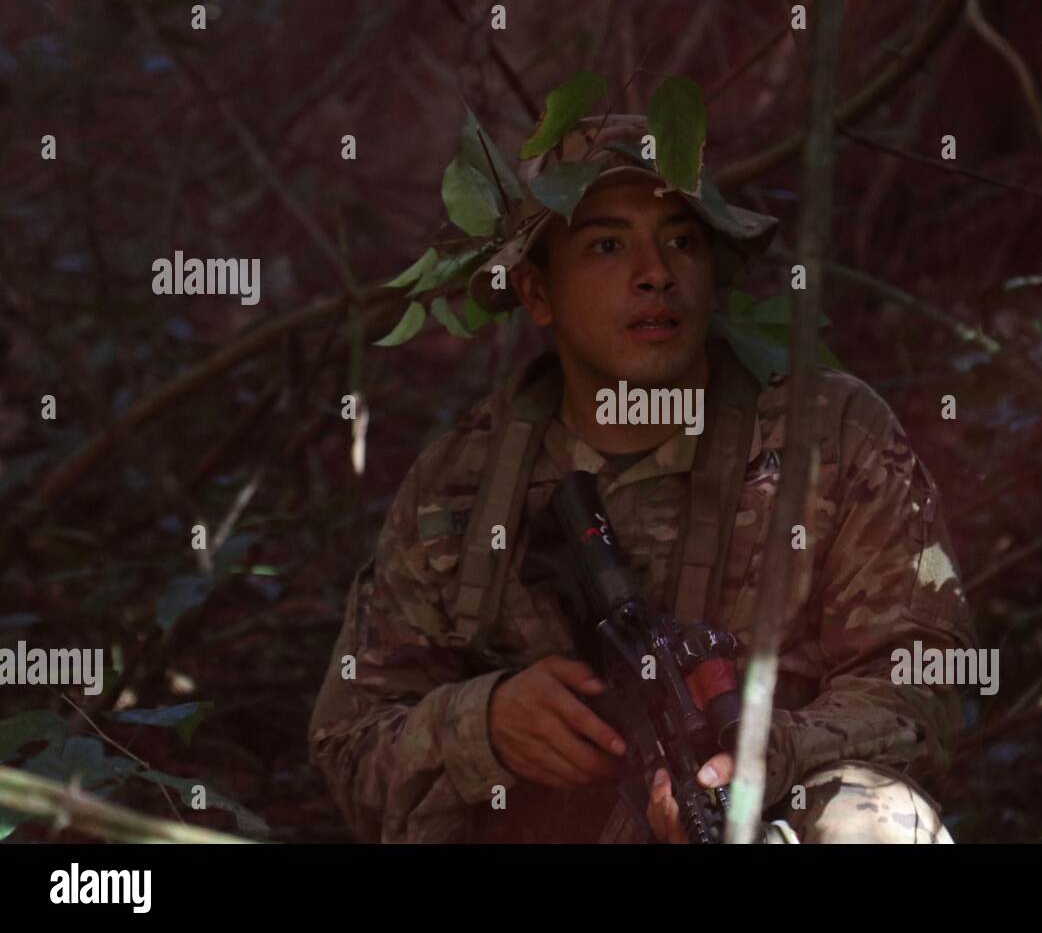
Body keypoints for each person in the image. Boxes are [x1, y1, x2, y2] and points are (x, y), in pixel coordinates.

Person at [308, 114, 974, 843]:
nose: (656, 271)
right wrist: (483, 726)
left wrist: (766, 755)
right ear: (537, 293)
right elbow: (350, 748)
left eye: (682, 240)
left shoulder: (832, 436)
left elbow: (924, 685)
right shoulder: (456, 486)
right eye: (606, 244)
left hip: (762, 821)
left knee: (876, 821)